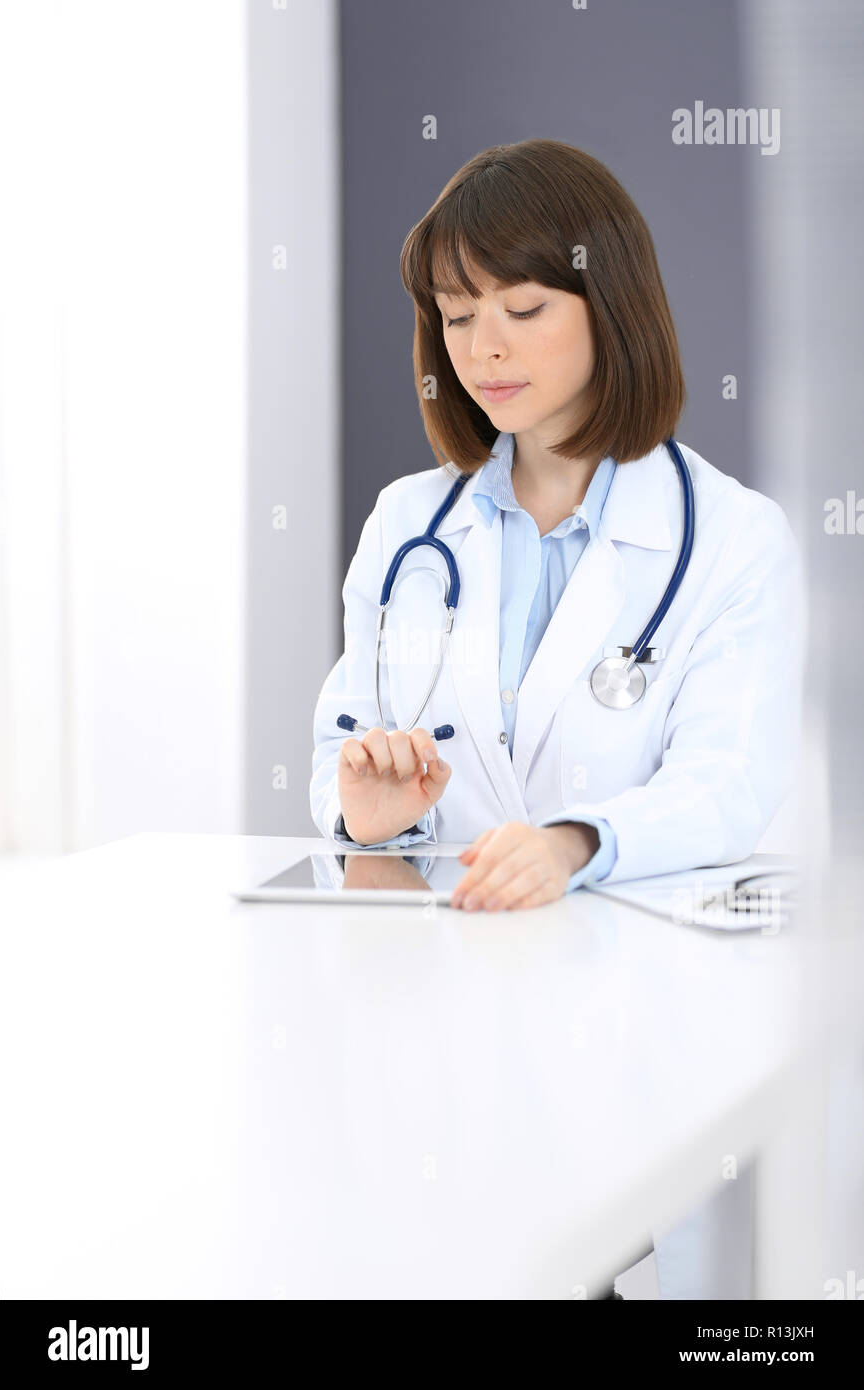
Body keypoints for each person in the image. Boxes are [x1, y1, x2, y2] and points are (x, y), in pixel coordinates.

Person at [309, 139, 805, 1297]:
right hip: (440, 1044)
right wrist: (365, 813)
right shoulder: (404, 528)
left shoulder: (731, 543)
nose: (482, 348)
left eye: (521, 307)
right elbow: (340, 751)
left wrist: (574, 843)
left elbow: (727, 784)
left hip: (638, 1048)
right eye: (455, 314)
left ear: (608, 302)